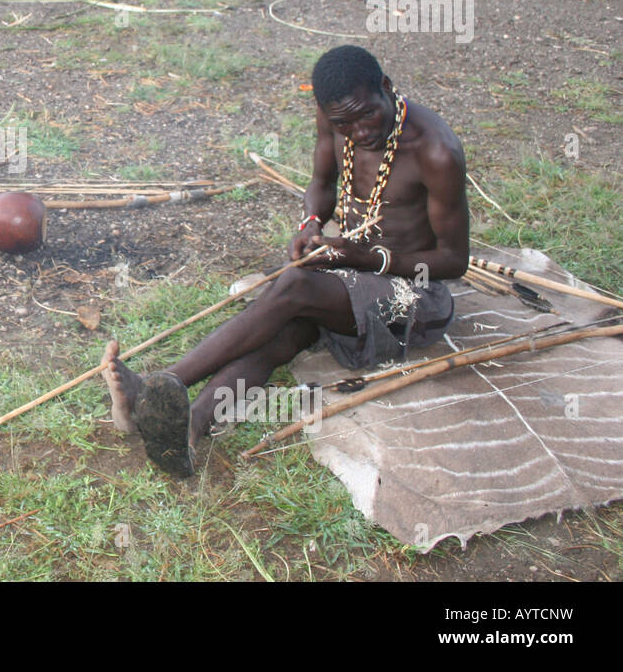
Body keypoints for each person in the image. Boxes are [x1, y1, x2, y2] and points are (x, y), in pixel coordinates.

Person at [103, 45, 469, 476]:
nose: (358, 131)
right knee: (277, 336)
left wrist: (366, 258)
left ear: (386, 89)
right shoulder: (335, 120)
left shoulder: (436, 151)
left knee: (294, 288)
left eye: (367, 114)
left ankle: (159, 386)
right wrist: (311, 224)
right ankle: (188, 429)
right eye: (342, 123)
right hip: (350, 272)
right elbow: (319, 183)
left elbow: (452, 261)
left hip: (411, 299)